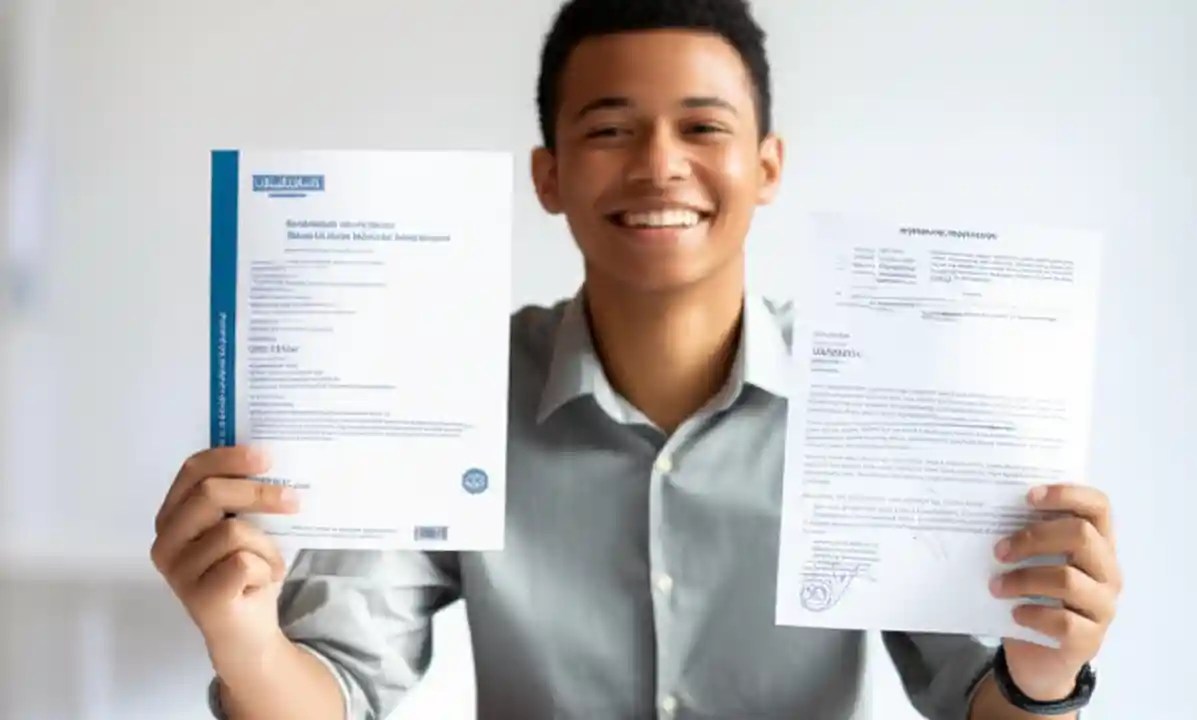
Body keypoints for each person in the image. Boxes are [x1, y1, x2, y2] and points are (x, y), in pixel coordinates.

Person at [150, 1, 1124, 718]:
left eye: (702, 127)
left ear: (767, 166)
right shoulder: (446, 386)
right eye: (609, 130)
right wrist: (239, 634)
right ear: (549, 175)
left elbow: (976, 704)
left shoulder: (874, 395)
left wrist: (1041, 673)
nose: (659, 164)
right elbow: (338, 693)